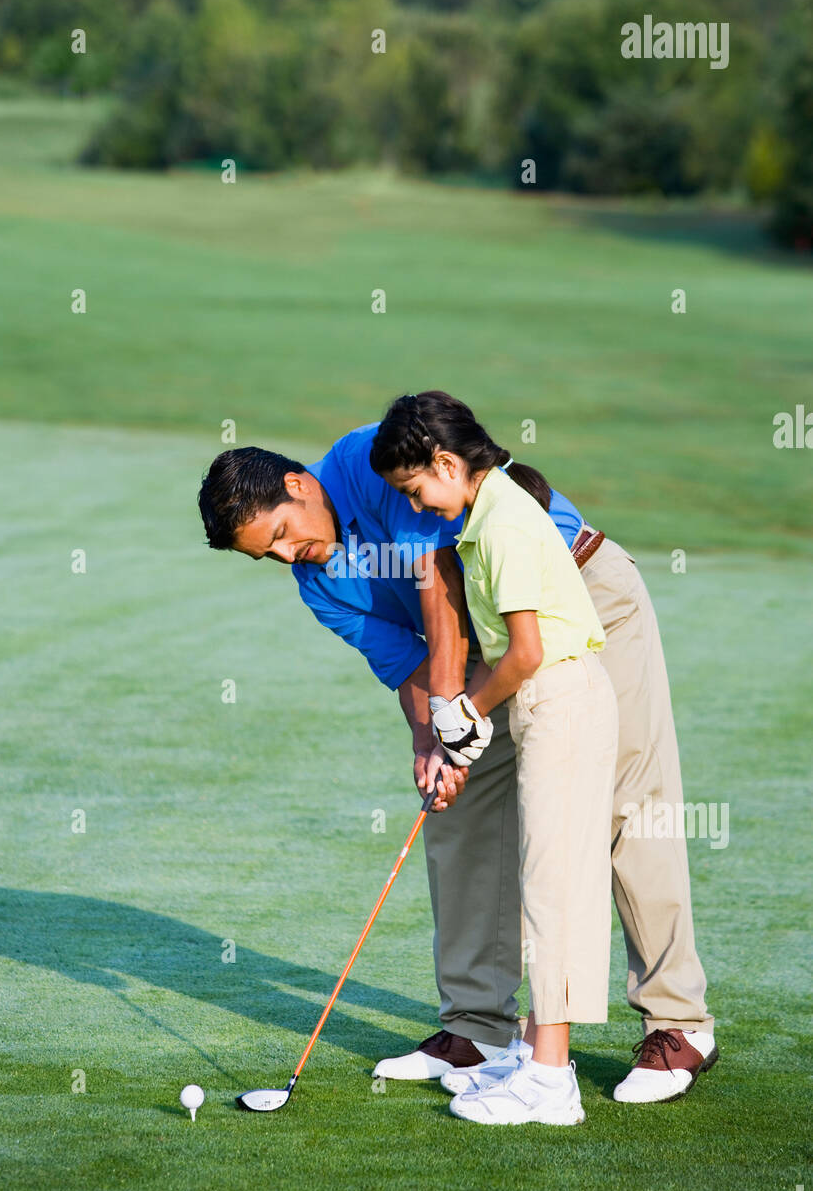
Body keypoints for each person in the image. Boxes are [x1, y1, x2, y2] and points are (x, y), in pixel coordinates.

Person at [198, 409, 717, 1105]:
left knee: (626, 812)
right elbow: (407, 662)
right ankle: (479, 1028)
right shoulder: (316, 583)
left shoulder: (366, 462)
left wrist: (452, 713)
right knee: (455, 814)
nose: (291, 557)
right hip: (480, 662)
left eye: (286, 534)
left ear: (299, 484)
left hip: (576, 603)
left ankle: (678, 1022)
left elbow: (438, 587)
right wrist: (430, 742)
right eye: (269, 556)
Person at [368, 390, 622, 1125]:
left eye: (417, 489)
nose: (419, 507)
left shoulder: (505, 521)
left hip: (563, 698)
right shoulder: (484, 516)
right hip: (538, 702)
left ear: (447, 463)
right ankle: (524, 1058)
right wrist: (463, 715)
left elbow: (528, 650)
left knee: (555, 886)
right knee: (536, 878)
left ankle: (552, 1081)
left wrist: (465, 713)